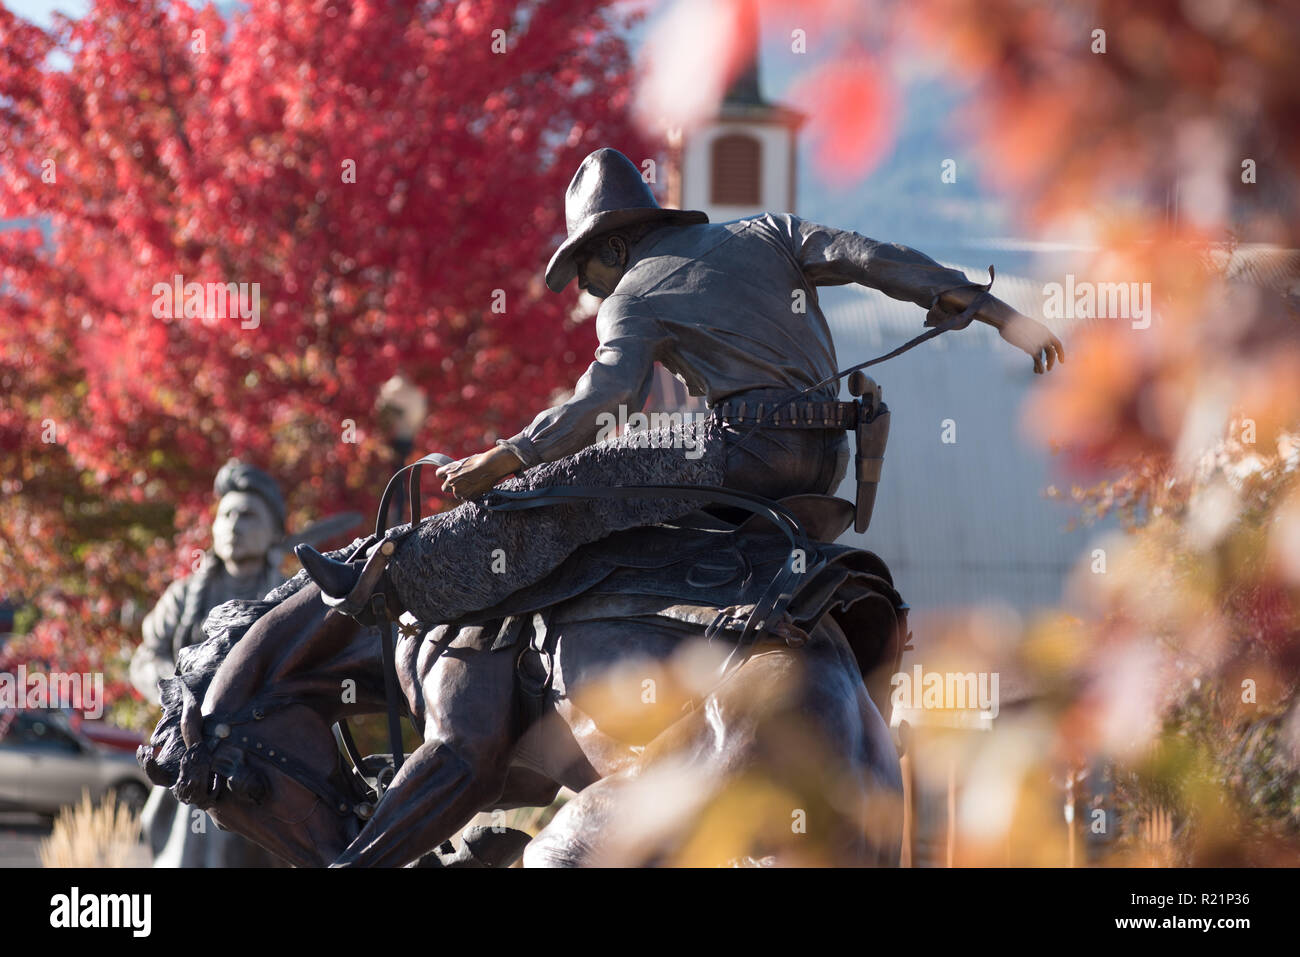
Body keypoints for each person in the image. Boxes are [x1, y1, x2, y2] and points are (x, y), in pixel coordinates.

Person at [300, 147, 1063, 866]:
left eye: (588, 274)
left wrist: (505, 457)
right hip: (824, 458)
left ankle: (384, 575)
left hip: (737, 451)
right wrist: (992, 309)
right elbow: (873, 259)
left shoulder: (633, 293)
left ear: (608, 249)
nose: (593, 293)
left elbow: (604, 402)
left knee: (552, 490)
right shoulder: (770, 230)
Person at [132, 460, 287, 868]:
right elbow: (147, 656)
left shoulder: (287, 599)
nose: (234, 525)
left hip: (264, 752)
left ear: (273, 531)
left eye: (248, 515)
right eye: (227, 515)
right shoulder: (184, 596)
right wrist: (179, 697)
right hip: (191, 749)